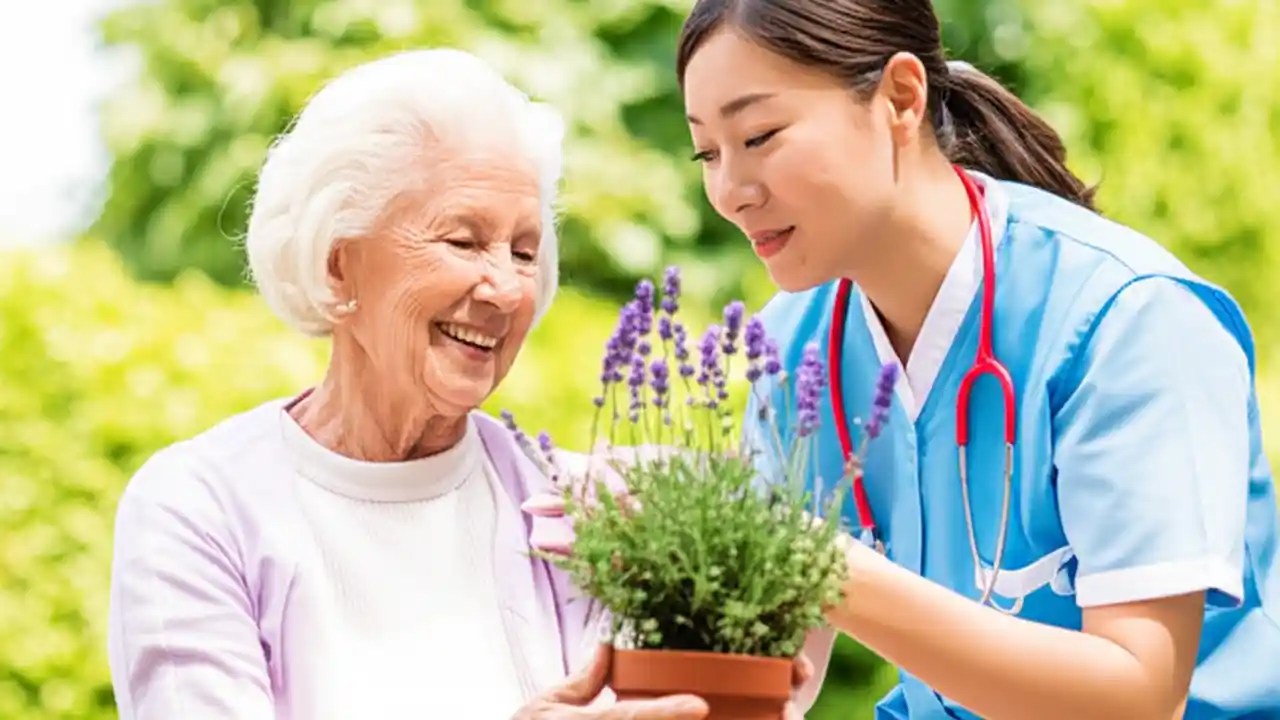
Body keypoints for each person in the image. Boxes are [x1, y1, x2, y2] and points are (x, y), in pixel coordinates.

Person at [638, 0, 1280, 717]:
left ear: (901, 98)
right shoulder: (794, 352)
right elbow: (769, 679)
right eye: (707, 154)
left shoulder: (1128, 318)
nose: (730, 192)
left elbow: (1136, 696)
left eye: (760, 136)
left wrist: (819, 564)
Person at [105, 48, 759, 720]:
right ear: (339, 266)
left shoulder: (571, 511)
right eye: (463, 241)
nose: (506, 289)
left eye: (525, 252)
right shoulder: (201, 507)